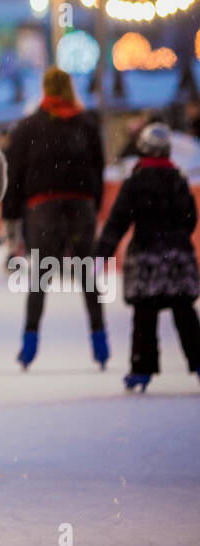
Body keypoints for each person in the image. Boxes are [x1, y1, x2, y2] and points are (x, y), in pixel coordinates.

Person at [2, 66, 108, 369]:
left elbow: (15, 173)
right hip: (81, 206)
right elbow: (98, 168)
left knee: (40, 277)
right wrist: (94, 203)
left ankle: (29, 345)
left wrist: (12, 213)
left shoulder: (28, 127)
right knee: (87, 275)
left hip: (43, 208)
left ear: (46, 89)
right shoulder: (87, 124)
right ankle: (100, 344)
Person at [96, 122, 200, 391]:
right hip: (177, 257)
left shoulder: (135, 182)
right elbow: (191, 218)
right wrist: (175, 238)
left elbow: (117, 221)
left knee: (144, 315)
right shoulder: (179, 181)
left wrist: (101, 255)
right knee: (185, 313)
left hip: (145, 258)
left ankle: (141, 370)